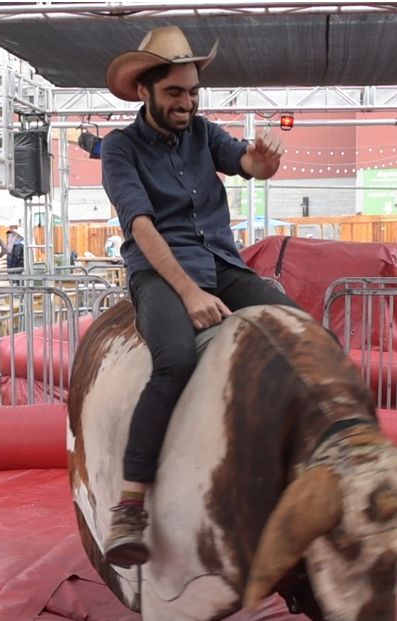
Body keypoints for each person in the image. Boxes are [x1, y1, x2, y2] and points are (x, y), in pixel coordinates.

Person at [98, 25, 299, 567]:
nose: (186, 103)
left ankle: (330, 463)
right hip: (160, 273)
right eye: (175, 94)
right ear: (145, 91)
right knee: (175, 358)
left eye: (192, 93)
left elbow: (249, 164)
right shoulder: (118, 149)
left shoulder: (203, 131)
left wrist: (266, 160)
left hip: (223, 262)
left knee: (305, 334)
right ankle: (130, 505)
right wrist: (187, 294)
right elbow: (140, 226)